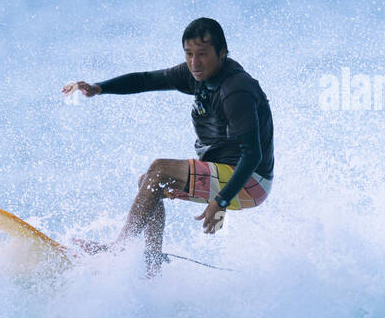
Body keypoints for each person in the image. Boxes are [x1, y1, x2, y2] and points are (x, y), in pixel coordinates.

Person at [62, 18, 274, 274]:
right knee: (149, 182)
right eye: (189, 54)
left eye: (203, 55)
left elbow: (252, 155)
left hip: (252, 180)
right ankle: (153, 266)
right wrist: (99, 88)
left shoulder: (236, 90)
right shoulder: (196, 74)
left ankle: (117, 251)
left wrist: (221, 201)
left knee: (159, 170)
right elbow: (145, 80)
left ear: (222, 53)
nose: (194, 63)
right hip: (227, 171)